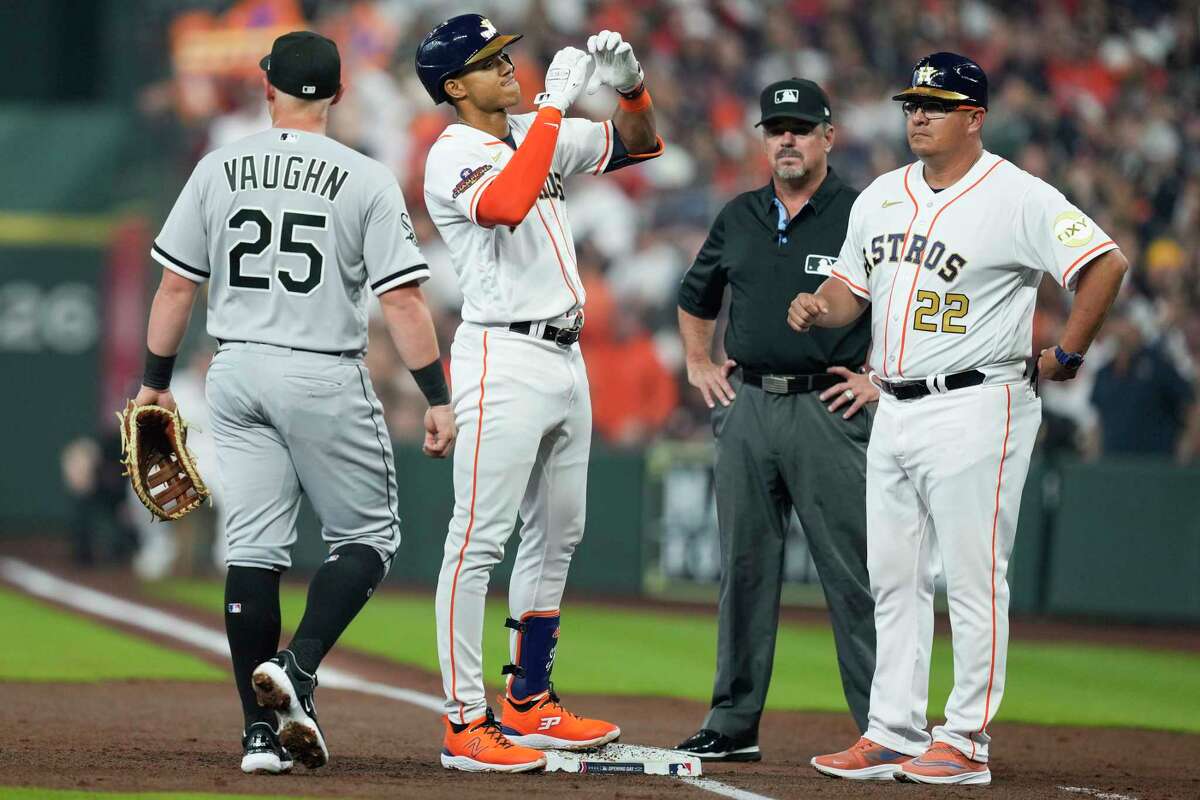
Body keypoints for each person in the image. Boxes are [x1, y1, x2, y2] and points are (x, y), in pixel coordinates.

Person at [795, 53, 1127, 786]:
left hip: (981, 401)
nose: (917, 114)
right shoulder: (881, 195)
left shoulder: (1018, 197)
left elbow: (1105, 263)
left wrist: (1068, 355)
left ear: (973, 118)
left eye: (936, 105)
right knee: (894, 576)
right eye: (913, 102)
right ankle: (891, 731)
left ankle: (967, 739)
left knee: (974, 578)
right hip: (896, 404)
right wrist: (823, 307)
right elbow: (852, 289)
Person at [132, 31, 455, 775]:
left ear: (266, 85)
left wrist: (153, 384)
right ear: (338, 94)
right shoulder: (366, 178)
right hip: (321, 372)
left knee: (251, 551)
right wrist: (435, 395)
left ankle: (257, 736)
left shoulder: (219, 168)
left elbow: (177, 286)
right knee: (370, 539)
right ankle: (300, 666)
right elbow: (402, 302)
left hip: (236, 372)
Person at [415, 15, 662, 772]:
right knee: (477, 540)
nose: (508, 67)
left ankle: (528, 699)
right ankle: (464, 719)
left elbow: (640, 143)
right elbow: (506, 204)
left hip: (564, 356)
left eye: (505, 55)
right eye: (490, 62)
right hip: (501, 353)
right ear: (455, 86)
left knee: (560, 533)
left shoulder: (530, 123)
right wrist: (553, 111)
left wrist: (631, 87)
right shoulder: (451, 152)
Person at [673, 79, 877, 762]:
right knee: (744, 570)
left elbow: (904, 302)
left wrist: (881, 379)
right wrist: (699, 361)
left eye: (800, 126)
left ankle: (886, 725)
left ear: (829, 135)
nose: (786, 139)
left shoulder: (863, 211)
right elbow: (696, 296)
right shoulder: (739, 215)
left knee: (854, 574)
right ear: (763, 138)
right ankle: (732, 723)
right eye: (775, 127)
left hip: (830, 408)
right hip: (749, 403)